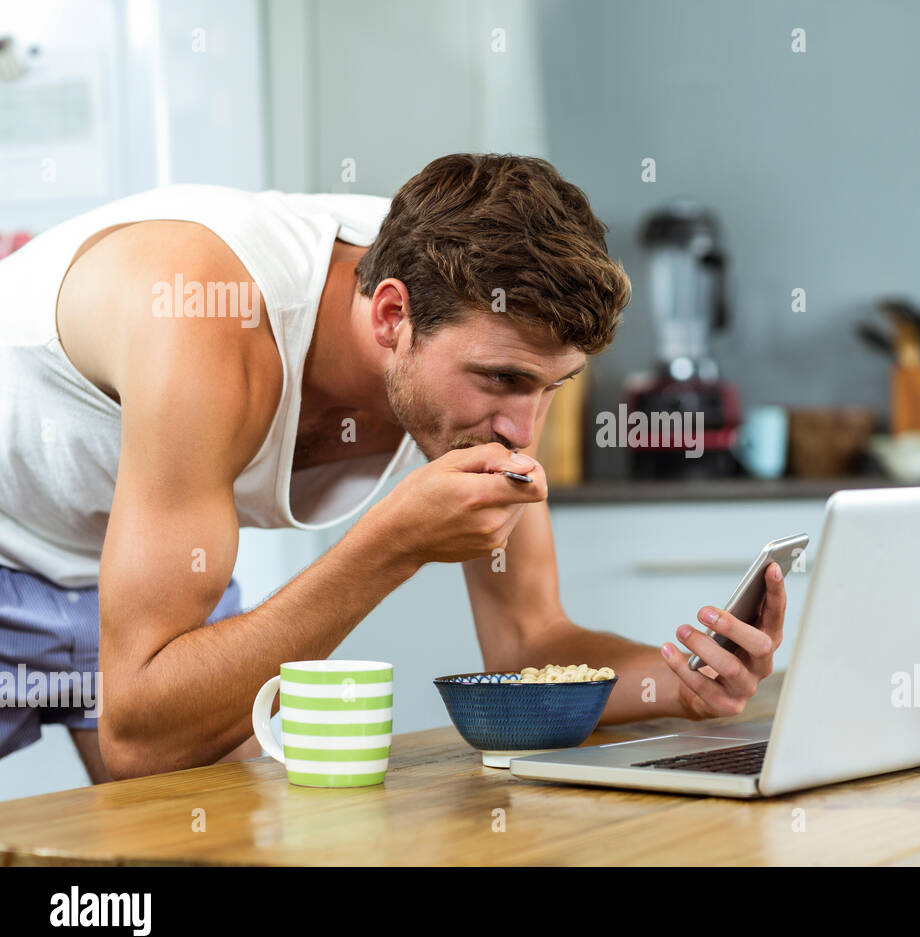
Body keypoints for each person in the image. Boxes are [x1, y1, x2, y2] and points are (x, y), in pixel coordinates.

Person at [0, 153, 788, 781]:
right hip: (11, 550)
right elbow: (140, 731)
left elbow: (527, 645)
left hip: (139, 581)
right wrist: (394, 544)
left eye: (554, 388)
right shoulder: (210, 316)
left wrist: (678, 679)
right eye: (504, 380)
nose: (523, 429)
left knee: (224, 838)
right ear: (389, 315)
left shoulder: (477, 326)